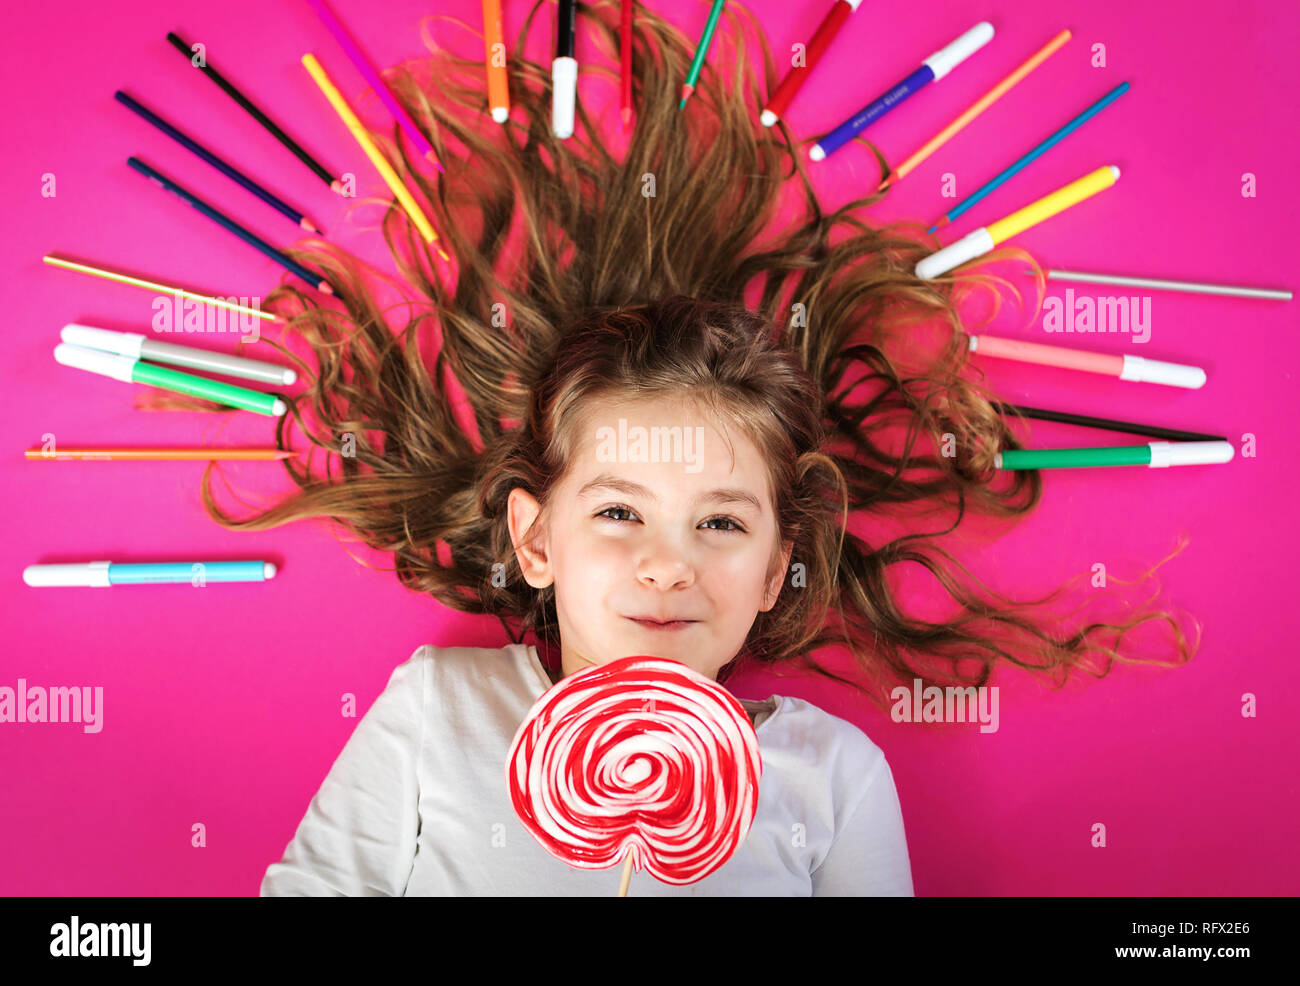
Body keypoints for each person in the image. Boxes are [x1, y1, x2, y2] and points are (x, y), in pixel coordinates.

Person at [154, 2, 1189, 894]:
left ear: (780, 563)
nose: (668, 560)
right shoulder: (436, 710)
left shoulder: (832, 775)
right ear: (535, 538)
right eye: (617, 509)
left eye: (723, 522)